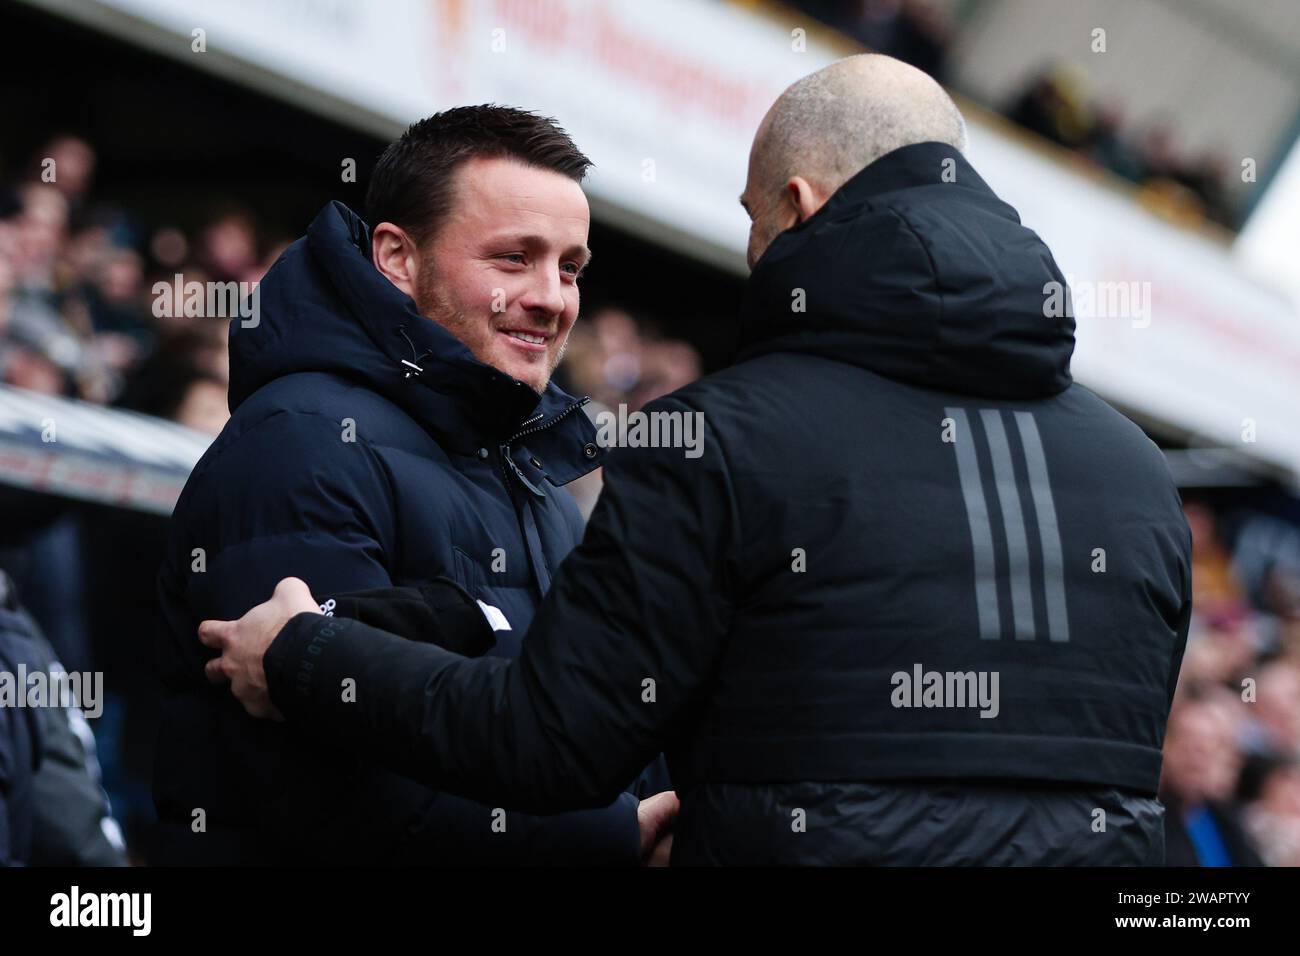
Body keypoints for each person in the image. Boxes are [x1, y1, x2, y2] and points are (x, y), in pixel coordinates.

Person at [204, 55, 1192, 865]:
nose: (751, 249)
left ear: (797, 205)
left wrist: (305, 653)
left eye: (752, 216)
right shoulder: (1143, 477)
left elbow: (549, 739)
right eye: (514, 257)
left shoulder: (720, 436)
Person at [155, 106, 673, 865]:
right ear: (397, 257)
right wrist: (613, 838)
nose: (553, 298)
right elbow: (333, 788)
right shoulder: (300, 445)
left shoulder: (537, 485)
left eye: (569, 268)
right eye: (513, 258)